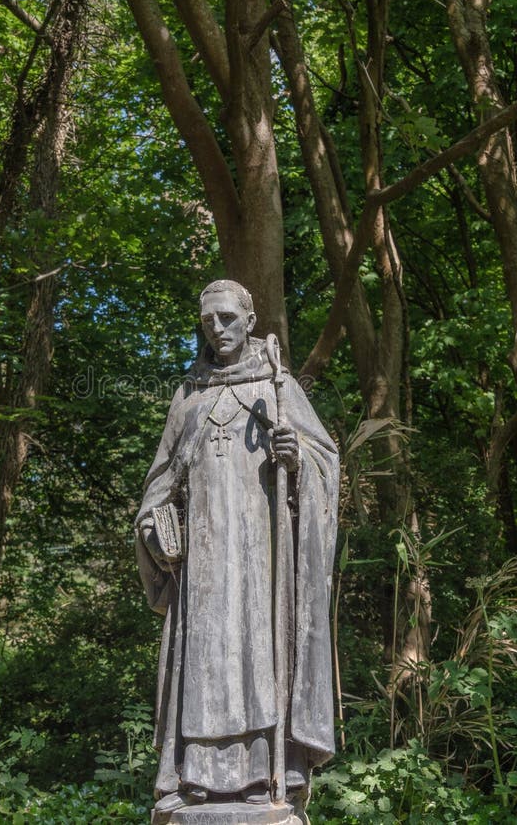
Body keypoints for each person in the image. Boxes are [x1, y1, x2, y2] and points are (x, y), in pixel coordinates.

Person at [136, 280, 339, 818]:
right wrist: (157, 530)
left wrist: (296, 462)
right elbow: (158, 487)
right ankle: (197, 776)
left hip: (260, 564)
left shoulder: (278, 389)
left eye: (227, 318)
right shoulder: (189, 397)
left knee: (256, 658)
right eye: (208, 322)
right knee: (204, 661)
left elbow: (325, 465)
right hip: (202, 569)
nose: (218, 329)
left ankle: (261, 773)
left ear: (250, 321)